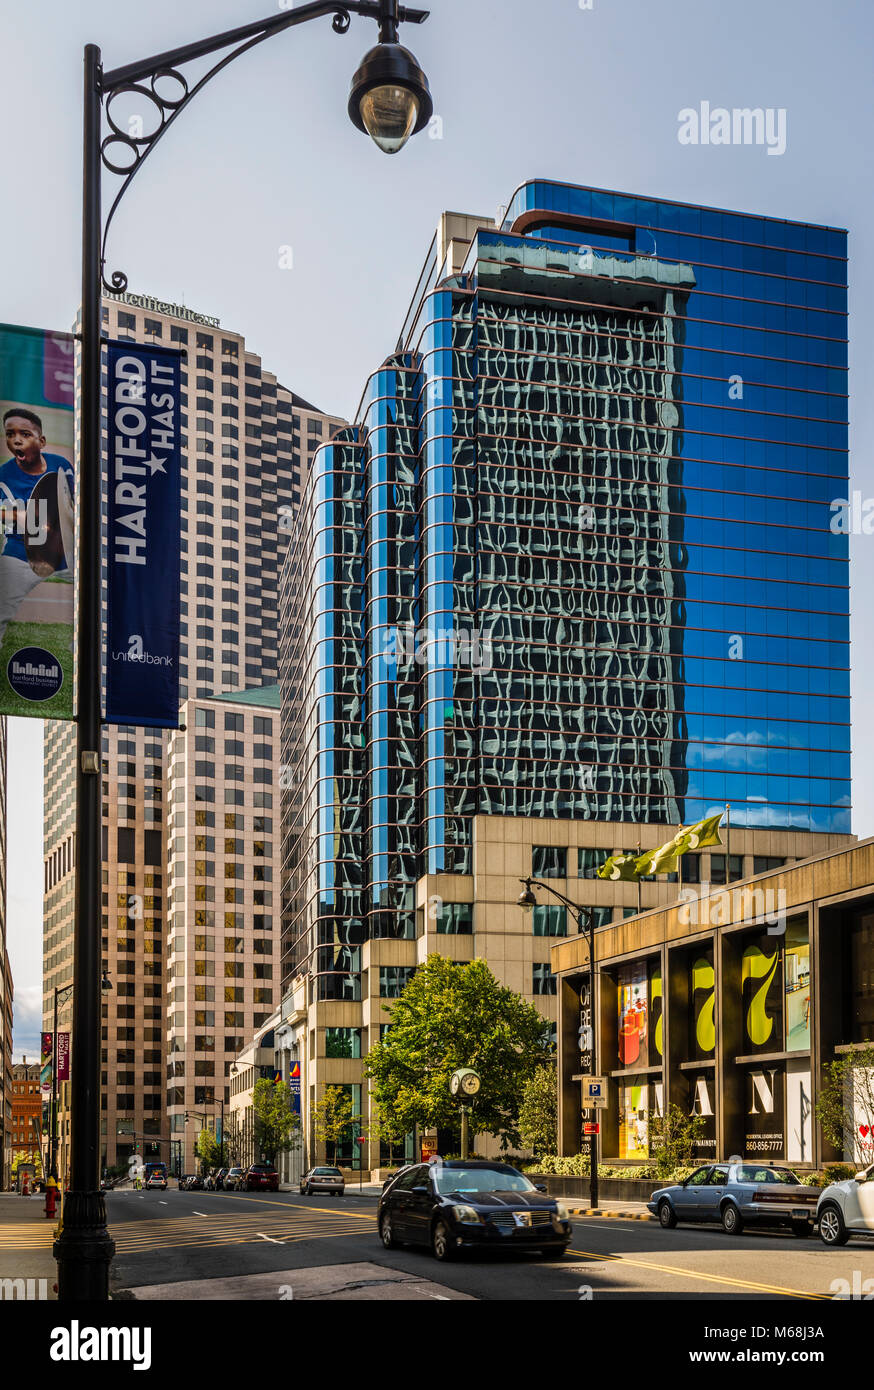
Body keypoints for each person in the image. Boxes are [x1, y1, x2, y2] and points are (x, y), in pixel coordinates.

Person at [0, 407, 74, 646]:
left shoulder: (61, 465)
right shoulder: (4, 476)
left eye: (25, 433)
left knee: (108, 590)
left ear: (41, 441)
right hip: (21, 552)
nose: (17, 439)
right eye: (10, 434)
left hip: (65, 551)